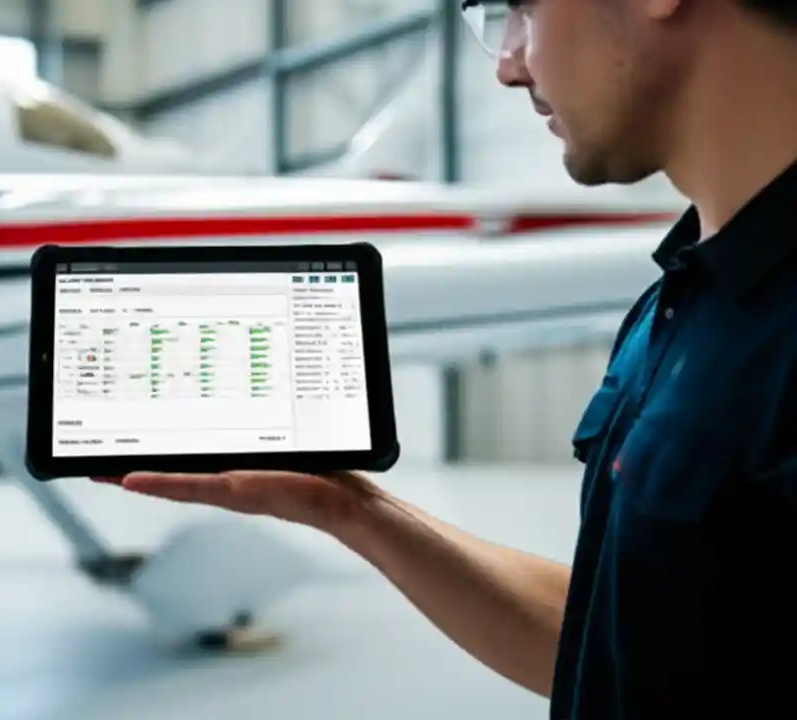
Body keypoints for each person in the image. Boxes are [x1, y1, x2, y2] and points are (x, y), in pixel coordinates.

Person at [95, 1, 797, 716]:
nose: (506, 64)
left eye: (521, 8)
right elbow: (621, 642)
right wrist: (355, 512)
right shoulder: (677, 303)